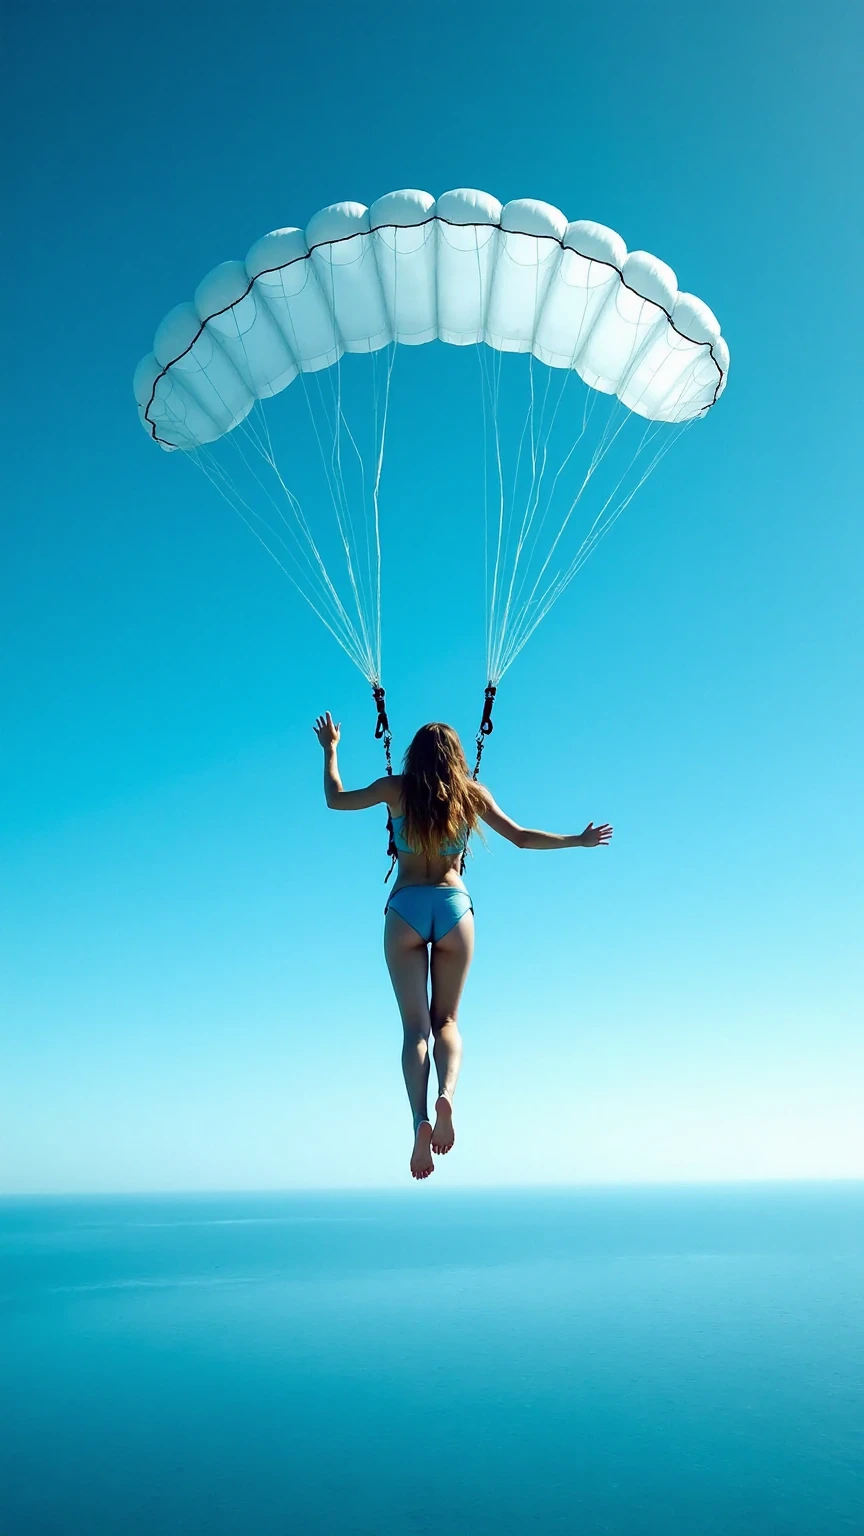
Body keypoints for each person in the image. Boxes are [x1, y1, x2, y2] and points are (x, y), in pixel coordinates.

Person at [313, 711, 612, 1180]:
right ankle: (447, 1095)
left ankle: (419, 1121)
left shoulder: (395, 790)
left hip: (406, 907)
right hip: (454, 909)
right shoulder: (471, 796)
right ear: (457, 757)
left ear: (414, 755)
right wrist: (578, 840)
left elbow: (335, 799)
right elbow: (521, 838)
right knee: (447, 1020)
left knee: (416, 1031)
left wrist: (331, 749)